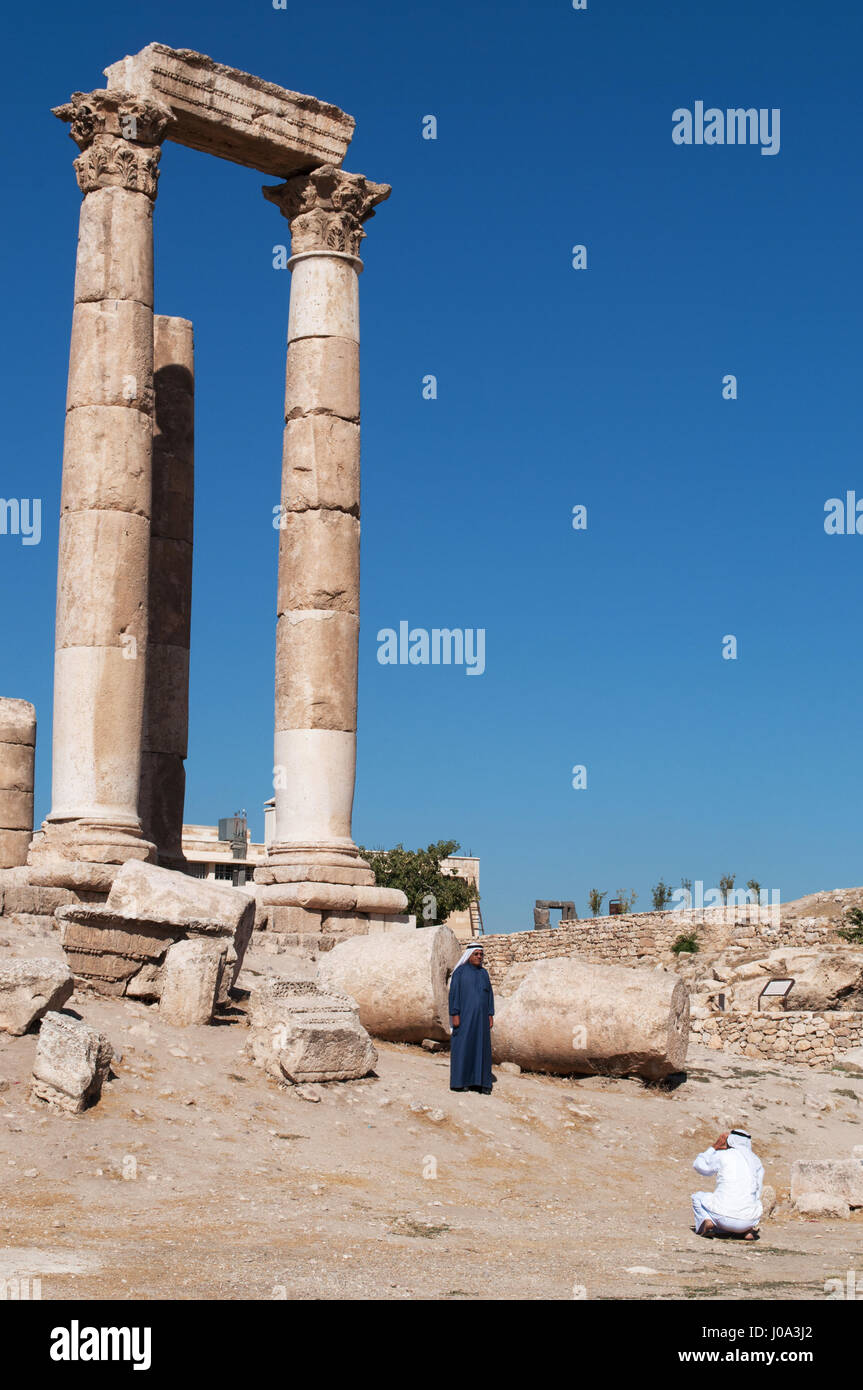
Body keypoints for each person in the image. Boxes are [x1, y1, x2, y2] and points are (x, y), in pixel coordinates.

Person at [692, 1129, 764, 1239]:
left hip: (722, 1217)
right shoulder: (756, 1161)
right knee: (754, 1200)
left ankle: (707, 1222)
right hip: (749, 1220)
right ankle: (747, 1231)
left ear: (730, 1140)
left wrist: (714, 1147)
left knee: (697, 1197)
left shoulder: (723, 1155)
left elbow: (699, 1165)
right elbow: (758, 1192)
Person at [448, 945, 494, 1094]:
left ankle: (480, 1083)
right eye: (476, 954)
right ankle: (461, 1082)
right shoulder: (460, 973)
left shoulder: (484, 974)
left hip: (481, 1020)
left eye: (481, 954)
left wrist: (490, 1014)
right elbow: (454, 994)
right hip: (465, 1018)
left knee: (481, 1048)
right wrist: (454, 1014)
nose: (479, 957)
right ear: (469, 955)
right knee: (463, 1047)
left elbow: (489, 996)